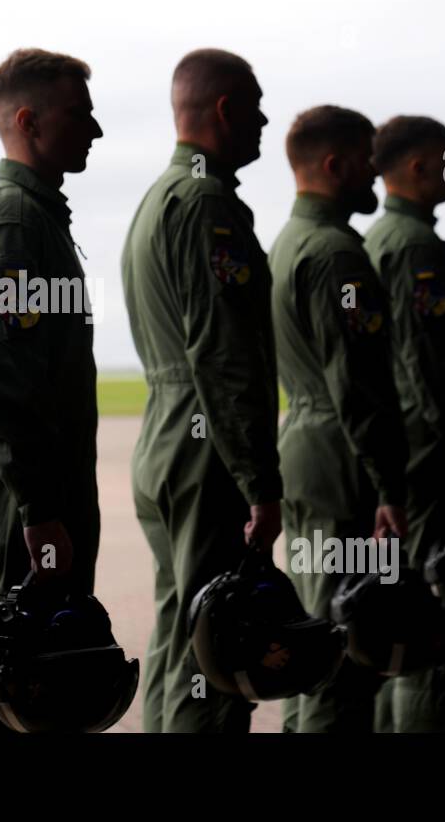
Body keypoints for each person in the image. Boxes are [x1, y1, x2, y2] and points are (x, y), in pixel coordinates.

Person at [121, 49, 282, 732]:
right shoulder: (208, 205)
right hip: (206, 442)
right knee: (217, 656)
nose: (265, 120)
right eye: (255, 106)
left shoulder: (159, 199)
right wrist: (258, 482)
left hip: (168, 431)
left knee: (181, 640)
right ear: (224, 110)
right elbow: (224, 356)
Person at [0, 48, 104, 732]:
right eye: (79, 114)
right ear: (27, 121)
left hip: (41, 485)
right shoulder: (14, 224)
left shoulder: (39, 220)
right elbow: (3, 378)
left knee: (51, 674)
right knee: (26, 685)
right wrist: (40, 510)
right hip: (23, 492)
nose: (95, 130)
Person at [269, 104, 409, 732]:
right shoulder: (335, 255)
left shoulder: (288, 243)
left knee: (314, 634)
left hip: (305, 448)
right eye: (365, 164)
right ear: (332, 165)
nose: (376, 178)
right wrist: (389, 487)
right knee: (347, 651)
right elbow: (357, 386)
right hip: (345, 462)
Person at [364, 115, 445, 732]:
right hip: (428, 455)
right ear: (417, 166)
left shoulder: (379, 238)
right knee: (431, 637)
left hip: (401, 453)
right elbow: (431, 369)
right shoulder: (414, 248)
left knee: (401, 630)